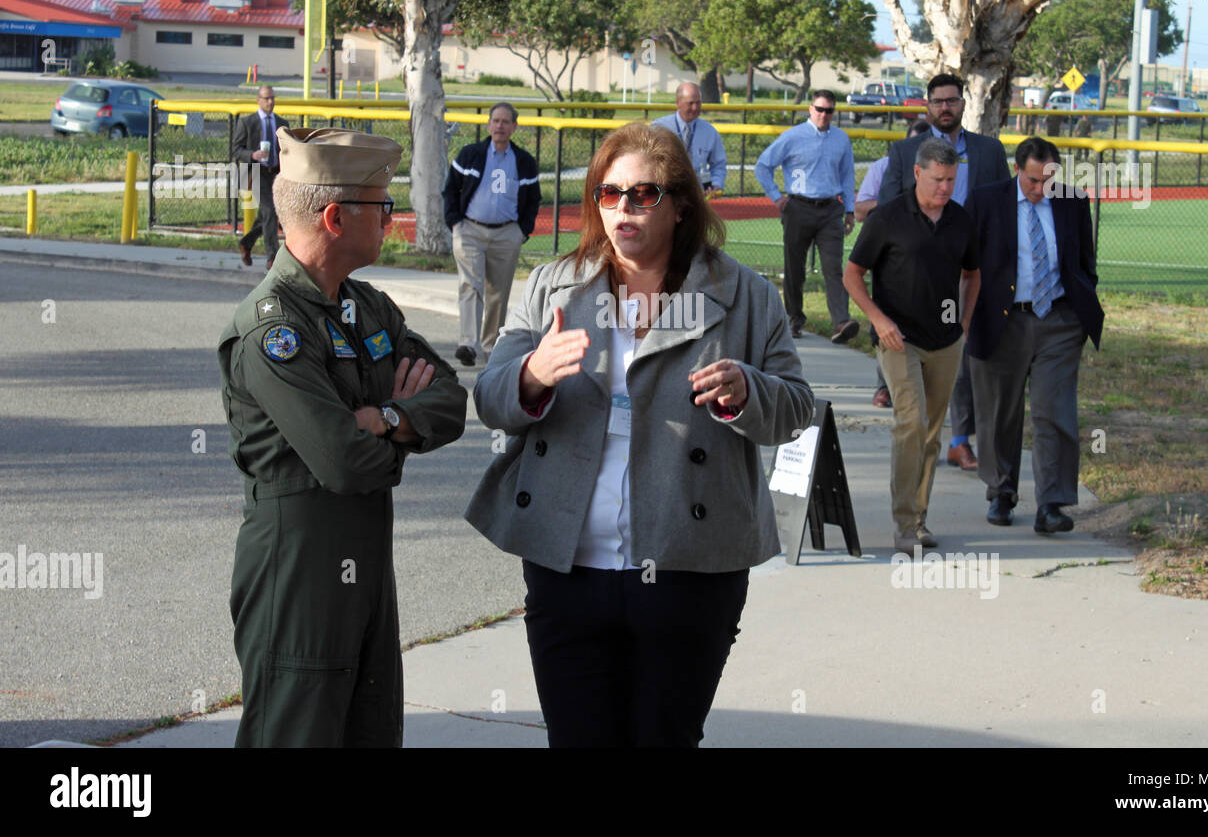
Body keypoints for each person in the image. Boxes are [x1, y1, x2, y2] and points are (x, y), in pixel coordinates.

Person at [465, 122, 814, 747]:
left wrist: (747, 391)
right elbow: (491, 398)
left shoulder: (745, 295)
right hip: (567, 567)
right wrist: (530, 375)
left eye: (643, 195)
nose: (622, 208)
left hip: (690, 566)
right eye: (608, 192)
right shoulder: (554, 285)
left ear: (681, 206)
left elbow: (795, 409)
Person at [219, 127, 468, 747]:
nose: (393, 219)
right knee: (296, 734)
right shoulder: (271, 330)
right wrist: (397, 415)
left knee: (371, 732)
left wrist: (382, 418)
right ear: (334, 216)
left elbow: (450, 399)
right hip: (298, 571)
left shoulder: (367, 307)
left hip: (366, 569)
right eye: (382, 206)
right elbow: (344, 462)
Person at [843, 138, 980, 553]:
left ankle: (919, 519)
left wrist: (965, 322)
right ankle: (904, 524)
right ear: (918, 173)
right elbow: (852, 275)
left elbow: (972, 274)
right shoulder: (887, 218)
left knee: (933, 434)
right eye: (938, 179)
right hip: (899, 339)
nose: (945, 188)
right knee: (911, 423)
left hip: (946, 341)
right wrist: (878, 320)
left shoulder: (960, 220)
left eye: (952, 180)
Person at [967, 137, 1104, 533]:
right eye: (1032, 181)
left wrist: (1082, 309)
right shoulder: (986, 201)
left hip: (1059, 321)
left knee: (1054, 411)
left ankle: (1053, 503)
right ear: (1016, 170)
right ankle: (1001, 493)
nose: (1040, 189)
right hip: (1002, 321)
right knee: (999, 413)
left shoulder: (1072, 201)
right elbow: (968, 263)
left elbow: (1085, 262)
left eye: (1048, 180)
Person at [878, 74, 1009, 472]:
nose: (945, 108)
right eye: (938, 102)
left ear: (963, 103)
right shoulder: (905, 153)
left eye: (951, 101)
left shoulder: (988, 152)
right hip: (920, 275)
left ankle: (959, 439)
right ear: (928, 106)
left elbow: (1003, 213)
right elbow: (887, 213)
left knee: (964, 353)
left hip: (969, 272)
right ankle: (920, 430)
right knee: (924, 356)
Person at [754, 89, 860, 344]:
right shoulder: (792, 137)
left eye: (829, 110)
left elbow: (847, 175)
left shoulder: (841, 139)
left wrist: (849, 209)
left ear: (834, 112)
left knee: (833, 267)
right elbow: (763, 166)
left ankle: (841, 321)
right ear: (810, 109)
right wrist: (776, 196)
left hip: (830, 208)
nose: (824, 115)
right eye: (819, 109)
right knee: (795, 268)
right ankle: (793, 318)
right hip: (798, 207)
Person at [443, 101, 542, 367]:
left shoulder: (524, 162)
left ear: (514, 126)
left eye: (505, 121)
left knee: (498, 293)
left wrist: (522, 230)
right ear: (489, 124)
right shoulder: (470, 154)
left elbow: (534, 199)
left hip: (507, 233)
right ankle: (467, 343)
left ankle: (490, 347)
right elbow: (450, 189)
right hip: (470, 230)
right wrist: (454, 222)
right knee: (470, 285)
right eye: (495, 121)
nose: (500, 126)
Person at [854, 118, 931, 409]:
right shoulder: (882, 169)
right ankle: (884, 386)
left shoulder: (943, 180)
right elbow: (861, 210)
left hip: (932, 257)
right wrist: (898, 202)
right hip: (892, 255)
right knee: (890, 318)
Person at [234, 85, 290, 269]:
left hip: (275, 173)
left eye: (272, 98)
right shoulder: (247, 123)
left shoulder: (282, 124)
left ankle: (246, 243)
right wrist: (252, 154)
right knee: (269, 210)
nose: (270, 102)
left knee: (268, 213)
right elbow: (235, 150)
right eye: (266, 98)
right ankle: (272, 256)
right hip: (256, 173)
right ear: (258, 100)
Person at [652, 81, 727, 196]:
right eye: (690, 103)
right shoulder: (659, 128)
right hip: (666, 194)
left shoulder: (709, 132)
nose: (695, 107)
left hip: (698, 195)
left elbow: (719, 164)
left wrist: (716, 184)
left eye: (698, 103)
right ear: (678, 102)